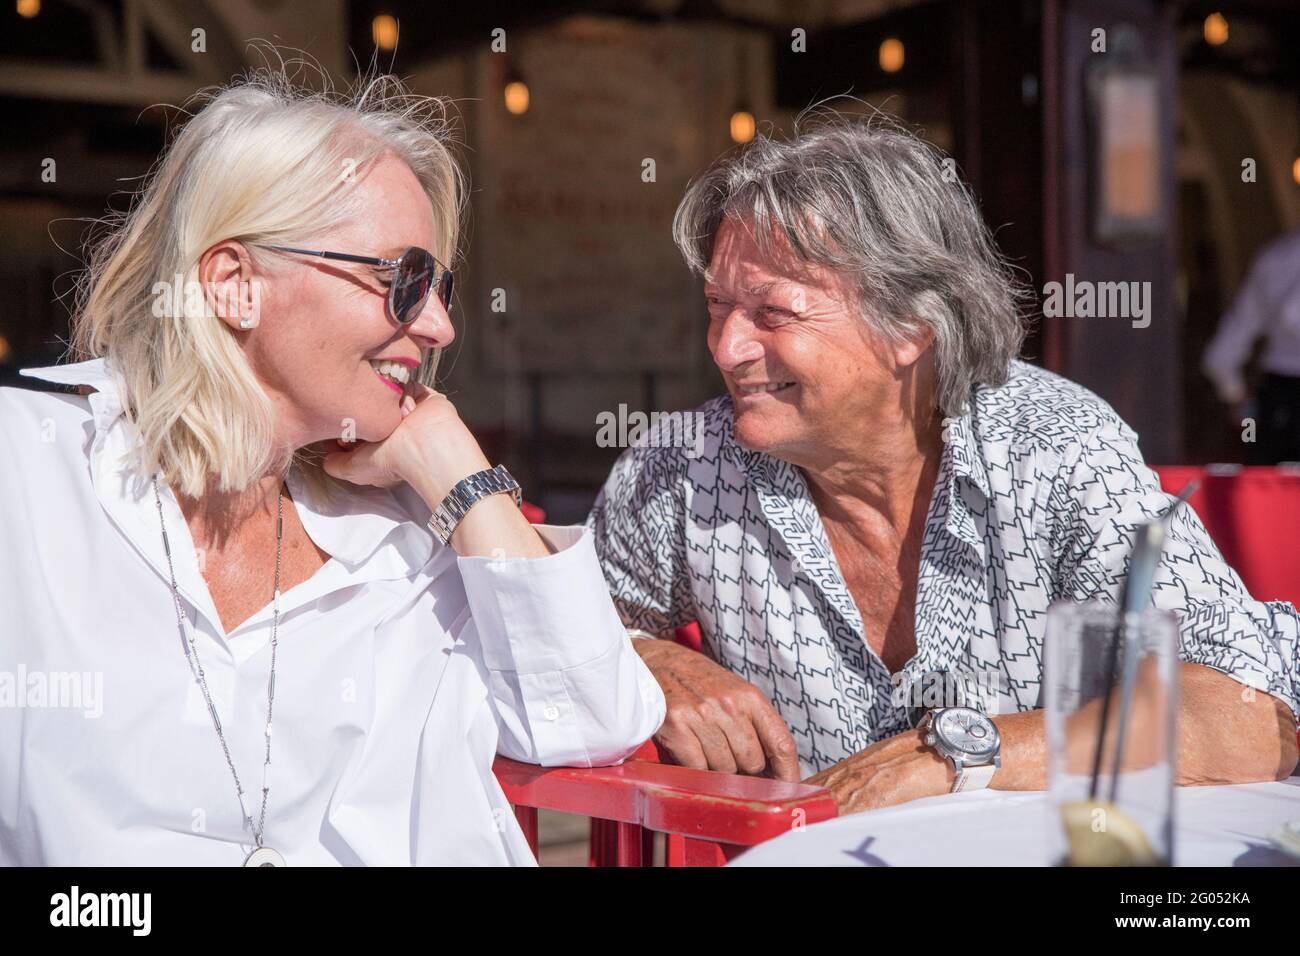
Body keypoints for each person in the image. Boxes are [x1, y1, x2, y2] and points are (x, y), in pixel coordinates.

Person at [0, 66, 664, 866]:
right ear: (235, 284)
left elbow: (594, 719)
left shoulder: (409, 533)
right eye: (402, 280)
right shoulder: (30, 470)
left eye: (441, 285)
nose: (442, 327)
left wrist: (462, 474)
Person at [588, 114, 1299, 815]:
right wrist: (650, 660)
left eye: (772, 313)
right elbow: (548, 636)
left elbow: (1250, 714)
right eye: (718, 305)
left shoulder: (1055, 448)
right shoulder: (685, 468)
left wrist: (958, 757)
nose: (726, 346)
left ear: (910, 329)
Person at [1202, 225, 1300, 463]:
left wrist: (1236, 396)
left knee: (1272, 495)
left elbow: (1221, 357)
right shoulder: (1279, 259)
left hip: (1280, 401)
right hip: (1282, 399)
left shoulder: (1278, 258)